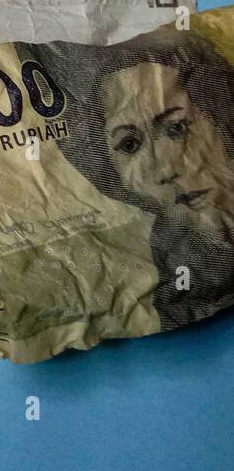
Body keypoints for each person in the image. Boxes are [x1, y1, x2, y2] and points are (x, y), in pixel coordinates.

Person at [32, 28, 234, 329]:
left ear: (219, 114)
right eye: (129, 145)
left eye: (176, 128)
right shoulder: (161, 278)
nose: (164, 171)